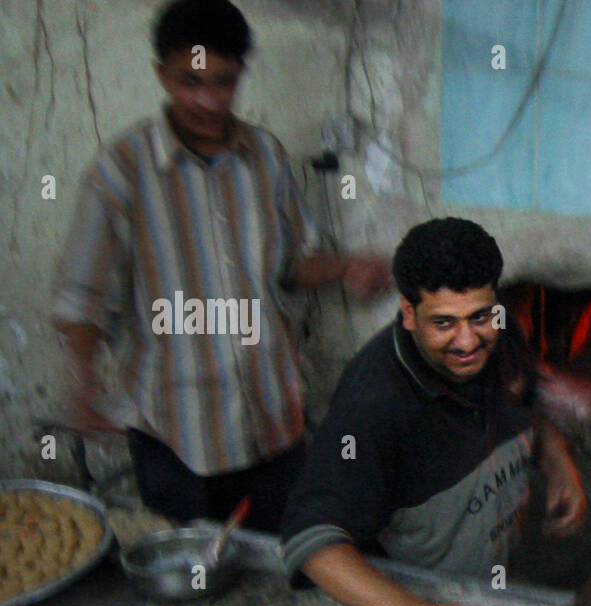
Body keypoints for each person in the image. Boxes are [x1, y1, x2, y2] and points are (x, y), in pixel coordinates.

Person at [51, 0, 391, 533]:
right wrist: (83, 383)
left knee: (292, 564)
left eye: (225, 82)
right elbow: (81, 296)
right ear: (161, 74)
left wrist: (347, 268)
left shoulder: (266, 158)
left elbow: (288, 265)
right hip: (178, 439)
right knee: (200, 583)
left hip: (273, 425)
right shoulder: (121, 172)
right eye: (191, 81)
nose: (209, 101)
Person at [280, 219, 588, 606]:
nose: (467, 342)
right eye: (444, 323)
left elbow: (527, 405)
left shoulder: (501, 338)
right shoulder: (374, 404)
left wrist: (558, 462)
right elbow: (311, 539)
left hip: (496, 583)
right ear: (408, 313)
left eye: (479, 317)